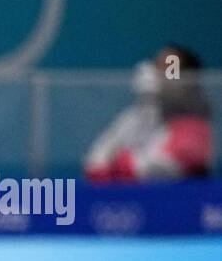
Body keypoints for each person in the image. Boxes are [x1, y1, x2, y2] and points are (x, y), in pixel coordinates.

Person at [85, 45, 212, 182]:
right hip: (121, 200)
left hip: (173, 200)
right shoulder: (134, 116)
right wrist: (147, 103)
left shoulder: (193, 124)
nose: (156, 73)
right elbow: (95, 165)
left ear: (187, 81)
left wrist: (120, 162)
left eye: (170, 67)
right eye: (156, 65)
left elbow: (154, 169)